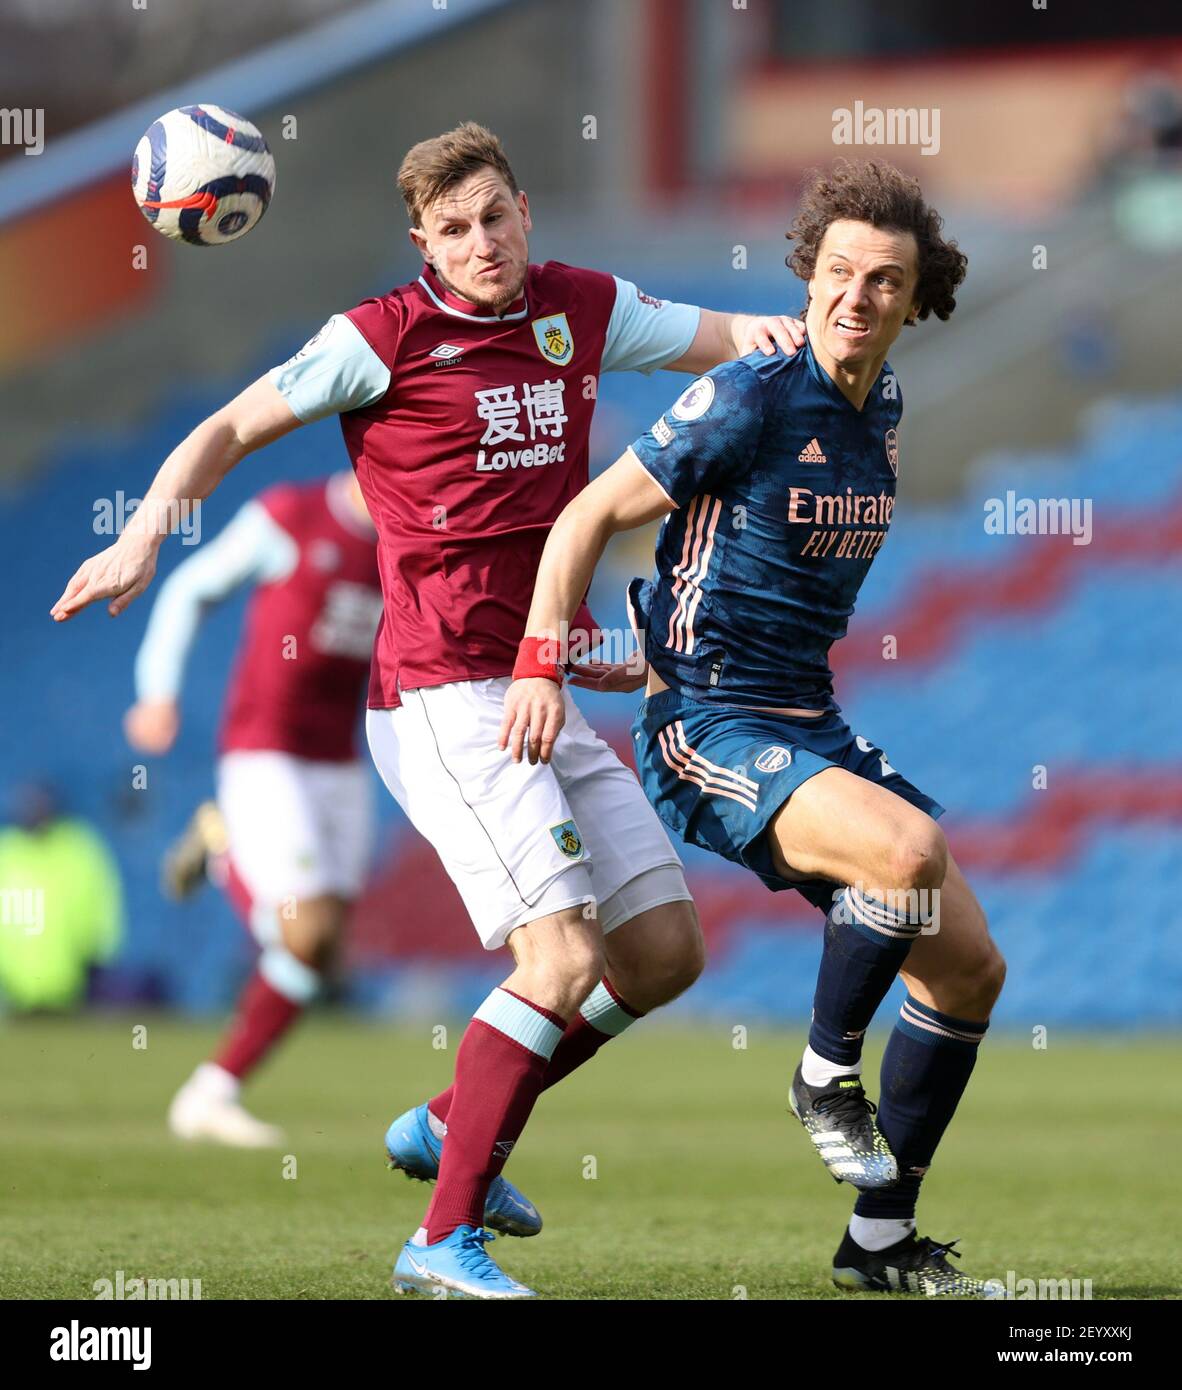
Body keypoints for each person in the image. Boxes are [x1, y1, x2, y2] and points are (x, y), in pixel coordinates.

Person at [51, 120, 805, 1299]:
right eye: (454, 229)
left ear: (524, 212)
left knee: (661, 952)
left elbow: (725, 335)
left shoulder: (582, 307)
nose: (482, 242)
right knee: (556, 957)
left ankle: (452, 1125)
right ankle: (441, 1239)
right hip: (445, 697)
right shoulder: (377, 339)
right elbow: (228, 429)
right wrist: (147, 531)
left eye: (496, 214)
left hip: (541, 681)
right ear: (423, 244)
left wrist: (801, 332)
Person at [503, 160, 1008, 1298]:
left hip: (804, 718)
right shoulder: (753, 388)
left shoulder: (881, 402)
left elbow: (736, 553)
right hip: (705, 723)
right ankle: (825, 1076)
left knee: (971, 968)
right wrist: (550, 657)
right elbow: (588, 514)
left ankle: (878, 1243)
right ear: (808, 273)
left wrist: (661, 613)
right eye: (838, 272)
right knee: (907, 855)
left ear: (917, 296)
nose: (857, 296)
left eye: (885, 279)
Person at [125, 470, 383, 1147]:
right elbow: (191, 587)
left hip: (341, 759)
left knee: (320, 953)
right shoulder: (289, 516)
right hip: (265, 751)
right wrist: (157, 691)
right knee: (302, 932)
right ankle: (221, 852)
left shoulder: (412, 538)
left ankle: (211, 1093)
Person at [0, 781, 124, 1012]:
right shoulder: (7, 851)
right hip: (15, 989)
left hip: (73, 986)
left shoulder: (77, 847)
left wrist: (100, 956)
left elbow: (102, 906)